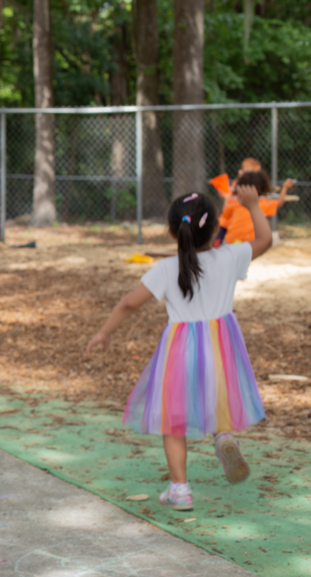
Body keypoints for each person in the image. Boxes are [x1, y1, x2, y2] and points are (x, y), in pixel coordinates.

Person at [86, 187, 272, 510]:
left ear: (173, 232)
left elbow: (129, 303)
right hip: (222, 345)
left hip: (180, 349)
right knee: (216, 397)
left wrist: (104, 332)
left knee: (173, 421)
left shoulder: (165, 269)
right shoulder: (230, 257)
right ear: (216, 227)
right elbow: (266, 240)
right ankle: (223, 436)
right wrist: (254, 206)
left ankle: (180, 489)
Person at [211, 159, 296, 248]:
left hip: (231, 241)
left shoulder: (237, 200)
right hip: (248, 243)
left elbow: (225, 213)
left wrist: (226, 198)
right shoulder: (263, 203)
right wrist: (285, 188)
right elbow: (279, 203)